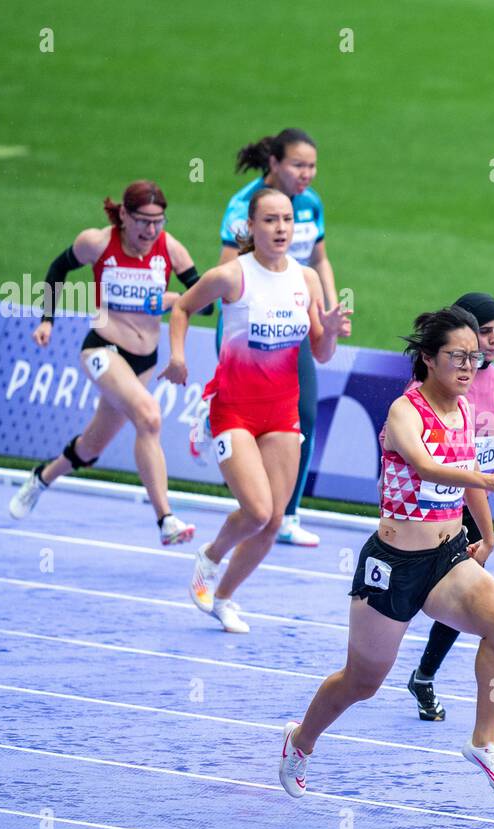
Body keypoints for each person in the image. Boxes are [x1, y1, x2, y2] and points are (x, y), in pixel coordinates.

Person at [278, 306, 494, 798]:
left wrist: (488, 531)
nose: (469, 367)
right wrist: (490, 477)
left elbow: (466, 473)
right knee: (363, 681)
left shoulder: (465, 413)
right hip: (392, 567)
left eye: (474, 358)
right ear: (429, 359)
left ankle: (484, 740)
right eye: (458, 357)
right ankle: (301, 741)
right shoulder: (405, 411)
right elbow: (426, 465)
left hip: (447, 557)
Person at [162, 188, 350, 633]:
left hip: (282, 413)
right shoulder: (231, 276)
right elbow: (185, 308)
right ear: (251, 227)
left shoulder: (306, 280)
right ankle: (210, 555)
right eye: (270, 220)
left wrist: (334, 332)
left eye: (286, 220)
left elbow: (320, 353)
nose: (281, 228)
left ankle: (224, 597)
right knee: (258, 511)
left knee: (271, 525)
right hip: (234, 411)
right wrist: (177, 357)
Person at [9, 179, 209, 546]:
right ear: (123, 216)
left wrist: (173, 299)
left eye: (159, 221)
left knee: (92, 445)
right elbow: (57, 270)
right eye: (143, 221)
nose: (151, 230)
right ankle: (166, 518)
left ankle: (41, 477)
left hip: (144, 359)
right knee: (149, 415)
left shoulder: (171, 250)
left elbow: (206, 303)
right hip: (102, 350)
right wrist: (47, 320)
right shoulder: (97, 243)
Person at [406, 292, 494, 720]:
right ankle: (372, 662)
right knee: (413, 595)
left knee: (465, 598)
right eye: (484, 332)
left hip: (475, 501)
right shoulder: (435, 389)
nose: (493, 340)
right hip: (431, 507)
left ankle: (424, 677)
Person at [218, 128, 336, 547]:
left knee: (304, 414)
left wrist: (328, 309)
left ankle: (285, 514)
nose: (307, 174)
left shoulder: (311, 203)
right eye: (298, 165)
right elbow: (228, 275)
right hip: (250, 330)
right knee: (248, 418)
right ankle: (253, 505)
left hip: (295, 317)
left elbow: (319, 259)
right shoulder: (240, 207)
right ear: (274, 163)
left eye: (312, 166)